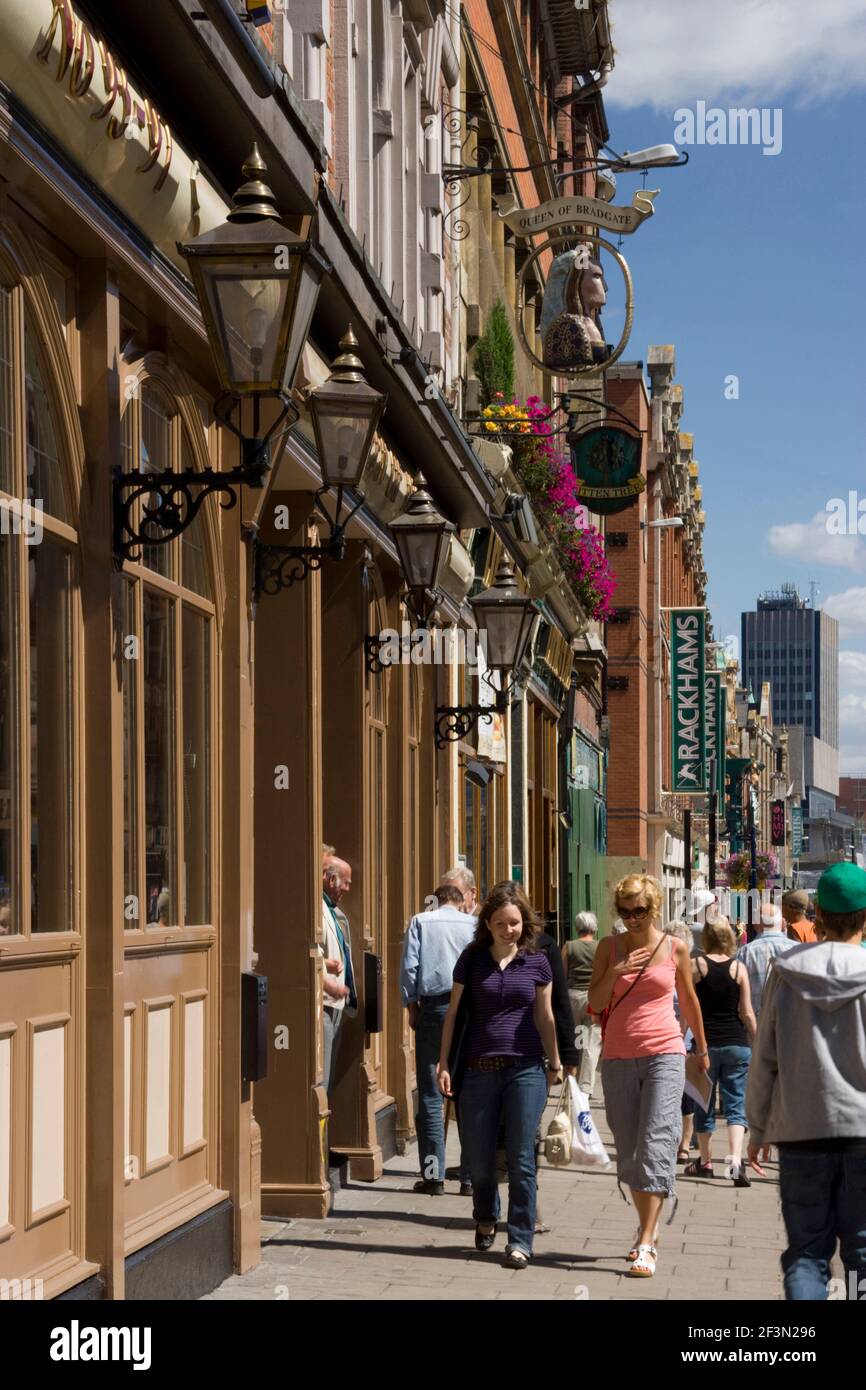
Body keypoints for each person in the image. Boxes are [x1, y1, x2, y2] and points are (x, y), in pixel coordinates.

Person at [746, 862, 866, 1301]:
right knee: (862, 1253)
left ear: (818, 913)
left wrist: (756, 1127)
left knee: (807, 1253)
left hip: (800, 1129)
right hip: (862, 1131)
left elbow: (766, 1055)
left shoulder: (786, 970)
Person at [588, 873, 708, 1279]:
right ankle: (647, 1228)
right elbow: (595, 1002)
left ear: (653, 908)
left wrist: (702, 1050)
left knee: (657, 1141)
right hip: (619, 1057)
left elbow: (689, 1002)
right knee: (630, 1151)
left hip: (665, 1054)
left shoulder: (675, 948)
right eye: (625, 911)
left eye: (639, 911)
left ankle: (646, 1241)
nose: (632, 919)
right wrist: (616, 969)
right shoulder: (609, 947)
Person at [437, 882, 562, 1270]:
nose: (510, 930)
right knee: (479, 1157)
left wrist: (556, 1062)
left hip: (525, 1068)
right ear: (487, 925)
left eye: (515, 922)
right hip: (477, 1070)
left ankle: (520, 1240)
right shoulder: (472, 960)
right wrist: (443, 1064)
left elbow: (545, 1015)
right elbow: (453, 1015)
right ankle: (486, 1213)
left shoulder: (537, 961)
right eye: (501, 924)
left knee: (523, 1156)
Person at [400, 882, 476, 1195]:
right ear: (461, 902)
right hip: (471, 1010)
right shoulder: (474, 924)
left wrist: (412, 1006)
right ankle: (470, 1178)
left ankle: (433, 1177)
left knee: (431, 1095)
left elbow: (409, 968)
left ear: (437, 900)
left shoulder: (421, 921)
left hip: (434, 1008)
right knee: (469, 1095)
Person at [685, 918, 757, 1186]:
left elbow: (688, 1008)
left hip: (705, 1047)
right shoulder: (739, 969)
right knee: (736, 1104)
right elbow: (747, 1012)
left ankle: (705, 1162)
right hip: (738, 1045)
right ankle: (735, 1161)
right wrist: (759, 1040)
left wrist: (678, 1036)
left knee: (703, 1101)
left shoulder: (696, 966)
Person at [321, 854, 357, 1097]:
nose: (347, 888)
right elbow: (302, 953)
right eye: (344, 882)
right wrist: (327, 979)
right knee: (321, 1083)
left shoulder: (333, 910)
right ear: (329, 878)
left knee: (327, 1080)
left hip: (335, 1004)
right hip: (324, 1003)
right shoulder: (316, 907)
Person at [666, 922, 697, 1162]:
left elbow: (693, 1008)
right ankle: (671, 1140)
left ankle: (685, 1143)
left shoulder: (693, 970)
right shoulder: (659, 967)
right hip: (663, 1041)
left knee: (686, 1096)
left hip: (683, 1042)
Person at [562, 913, 602, 1098]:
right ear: (594, 928)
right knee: (590, 1044)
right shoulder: (600, 947)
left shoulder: (569, 946)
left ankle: (571, 1082)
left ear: (577, 927)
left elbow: (562, 974)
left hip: (572, 997)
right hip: (593, 999)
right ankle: (585, 1087)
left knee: (575, 1041)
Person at [736, 905, 792, 1019]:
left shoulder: (744, 953)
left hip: (756, 1026)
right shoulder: (798, 950)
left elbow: (737, 996)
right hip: (791, 1026)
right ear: (781, 923)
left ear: (755, 924)